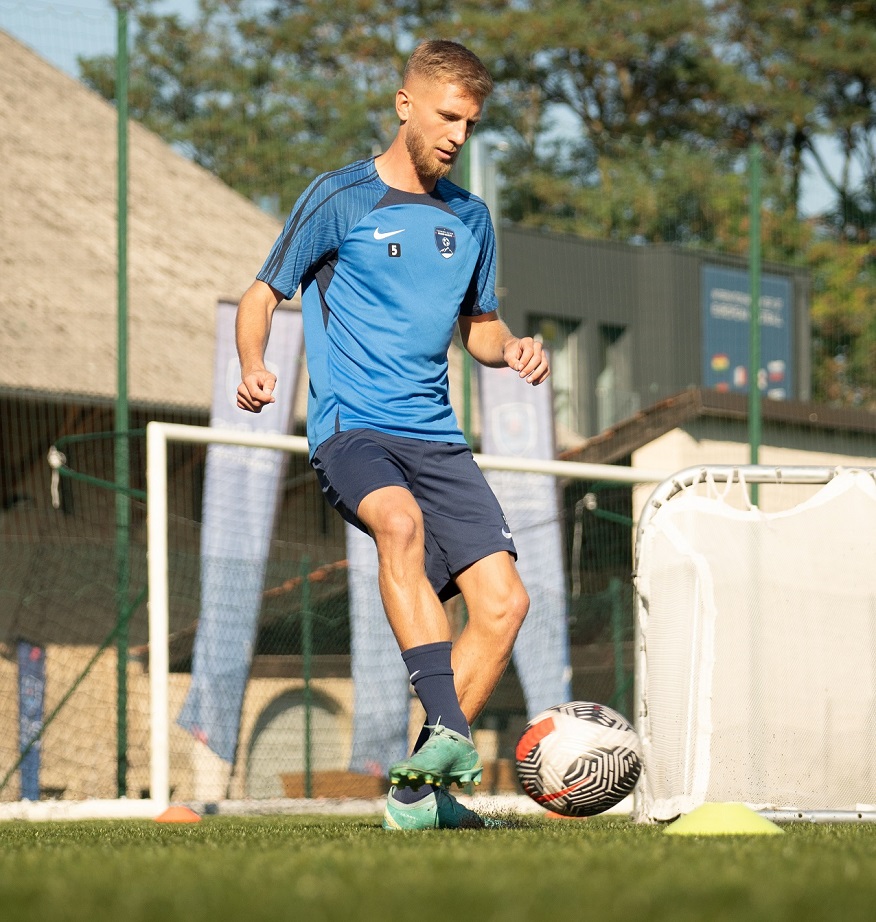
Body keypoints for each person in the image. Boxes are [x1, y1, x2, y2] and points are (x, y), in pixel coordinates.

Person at [236, 39, 550, 830]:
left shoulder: (471, 218)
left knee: (504, 604)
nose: (457, 135)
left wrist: (513, 347)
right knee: (399, 524)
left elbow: (480, 327)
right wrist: (254, 363)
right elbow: (261, 294)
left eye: (469, 124)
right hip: (354, 429)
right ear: (405, 104)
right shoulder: (339, 197)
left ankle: (416, 795)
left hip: (437, 437)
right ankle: (447, 727)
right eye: (447, 117)